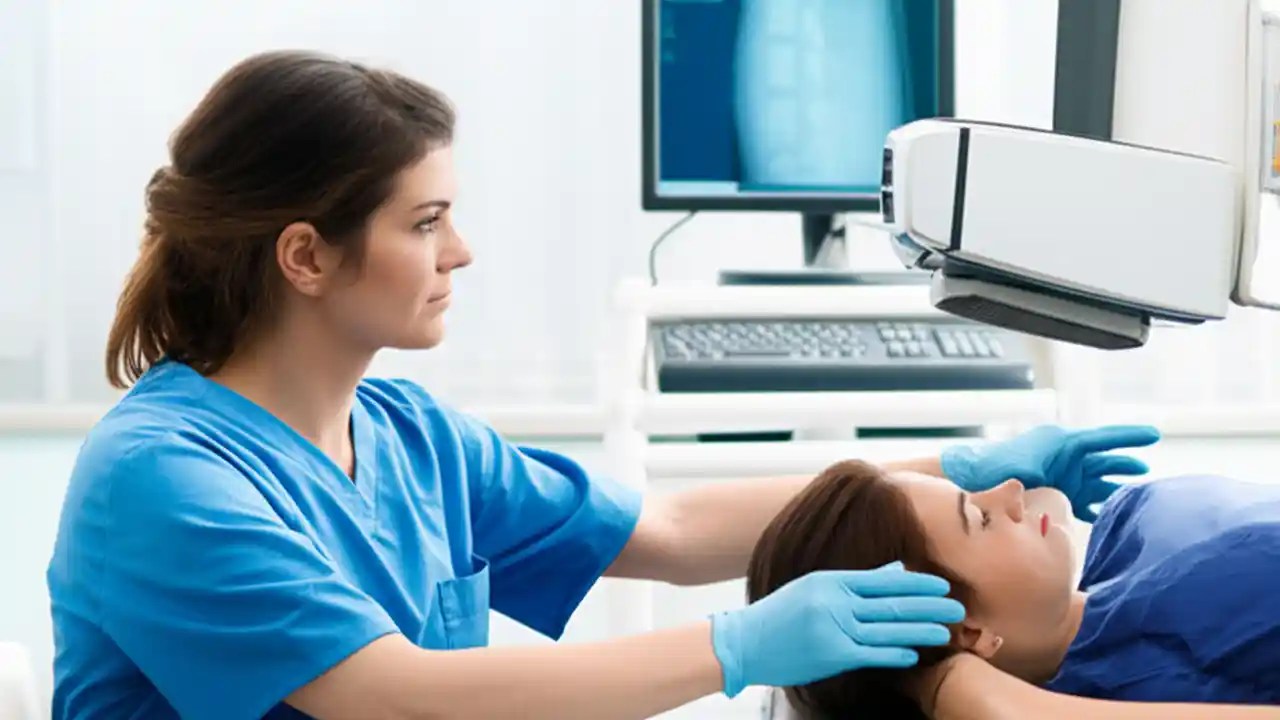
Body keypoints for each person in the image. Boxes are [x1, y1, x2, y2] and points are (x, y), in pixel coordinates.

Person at [45, 50, 1161, 720]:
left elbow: (665, 529)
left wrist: (944, 469)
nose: (461, 252)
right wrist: (736, 650)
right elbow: (391, 700)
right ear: (305, 257)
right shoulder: (160, 482)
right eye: (426, 222)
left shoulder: (402, 434)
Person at [749, 460, 1280, 719]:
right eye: (978, 518)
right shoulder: (1157, 679)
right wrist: (972, 693)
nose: (1010, 489)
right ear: (969, 629)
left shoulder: (1128, 530)